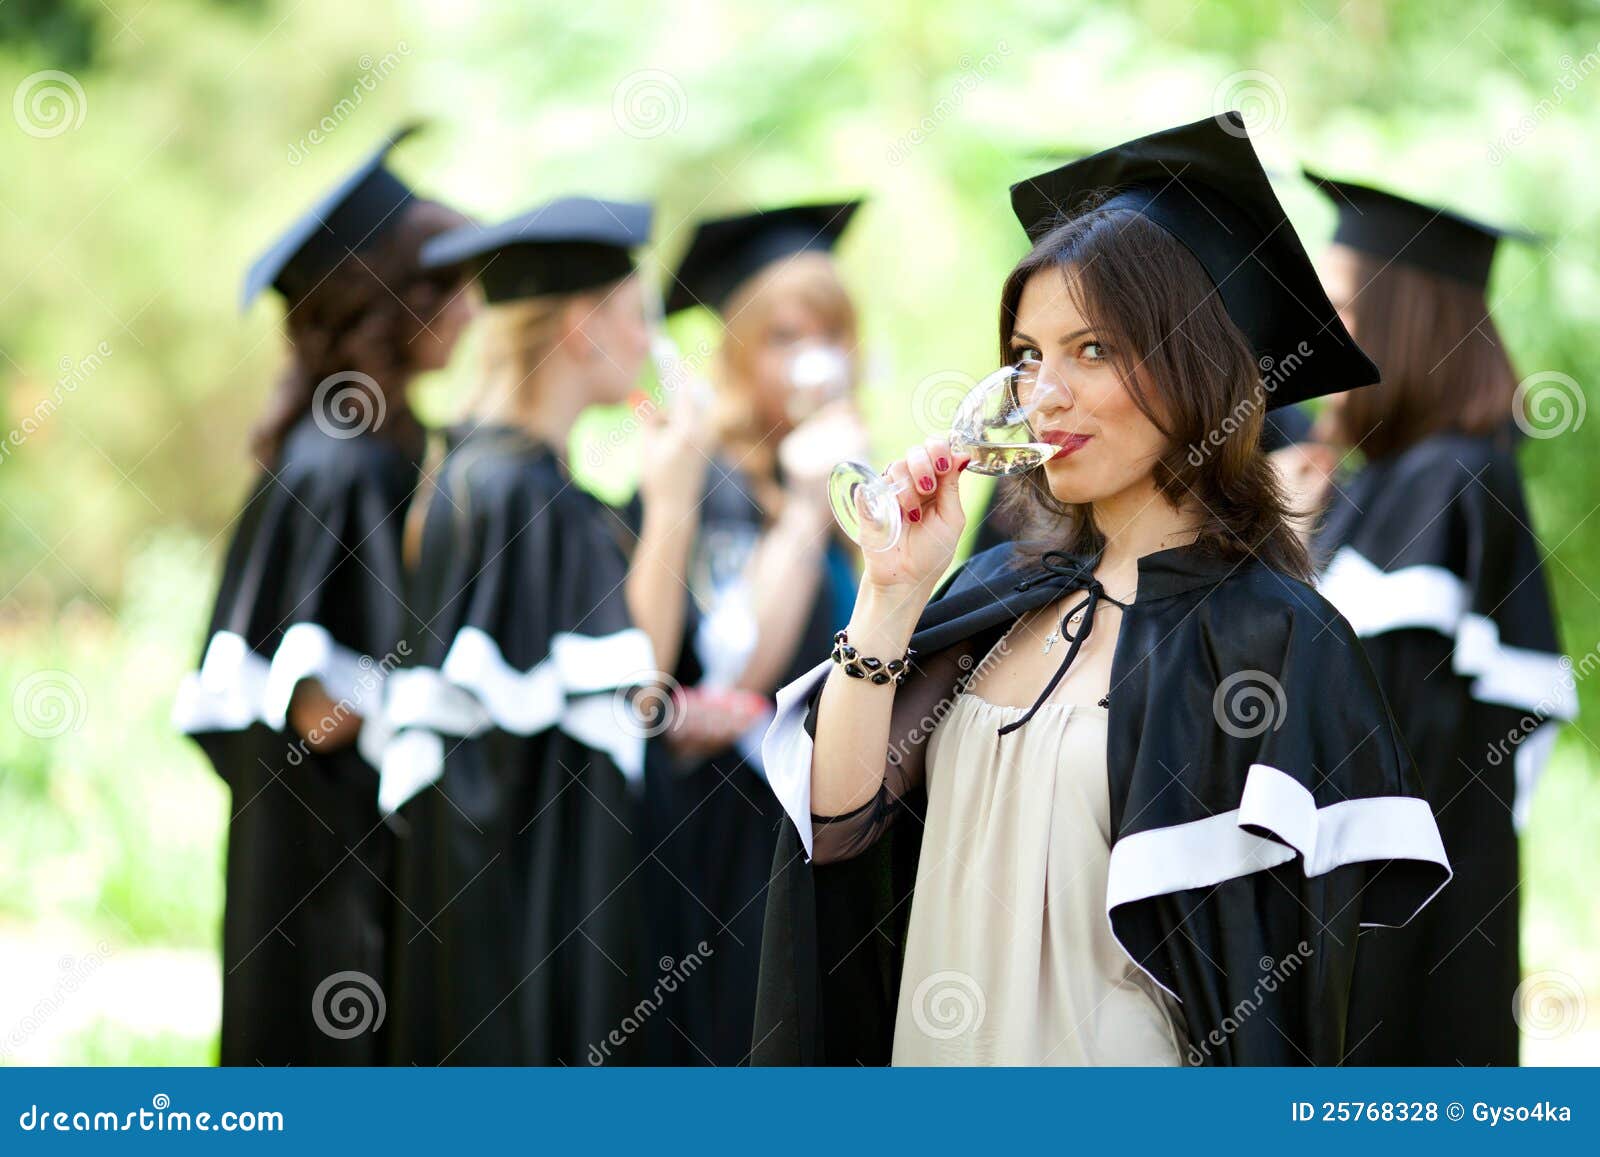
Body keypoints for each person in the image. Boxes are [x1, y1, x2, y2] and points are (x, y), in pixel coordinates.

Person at [753, 114, 1452, 1067]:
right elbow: (836, 827)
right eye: (1029, 355)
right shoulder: (999, 591)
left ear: (1199, 364)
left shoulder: (1276, 640)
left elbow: (1281, 1002)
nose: (1044, 393)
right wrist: (891, 595)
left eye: (1094, 349)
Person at [172, 126, 474, 1064]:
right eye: (452, 279)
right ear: (399, 298)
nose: (473, 303)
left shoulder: (381, 441)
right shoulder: (340, 462)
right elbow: (317, 710)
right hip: (329, 863)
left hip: (355, 852)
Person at [377, 196, 693, 1065]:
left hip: (490, 897)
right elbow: (637, 680)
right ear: (585, 328)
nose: (645, 344)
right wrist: (673, 501)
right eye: (635, 318)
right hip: (526, 904)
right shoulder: (521, 492)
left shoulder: (478, 471)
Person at [1306, 175, 1576, 1065]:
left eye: (1342, 308)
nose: (1321, 336)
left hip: (1404, 922)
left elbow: (1387, 730)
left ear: (1405, 320)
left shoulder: (1451, 482)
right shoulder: (1387, 477)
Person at [634, 201, 870, 1064]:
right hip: (728, 832)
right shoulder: (712, 481)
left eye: (831, 336)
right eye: (781, 337)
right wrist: (807, 506)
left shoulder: (837, 468)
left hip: (826, 821)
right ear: (735, 349)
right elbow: (743, 665)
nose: (815, 361)